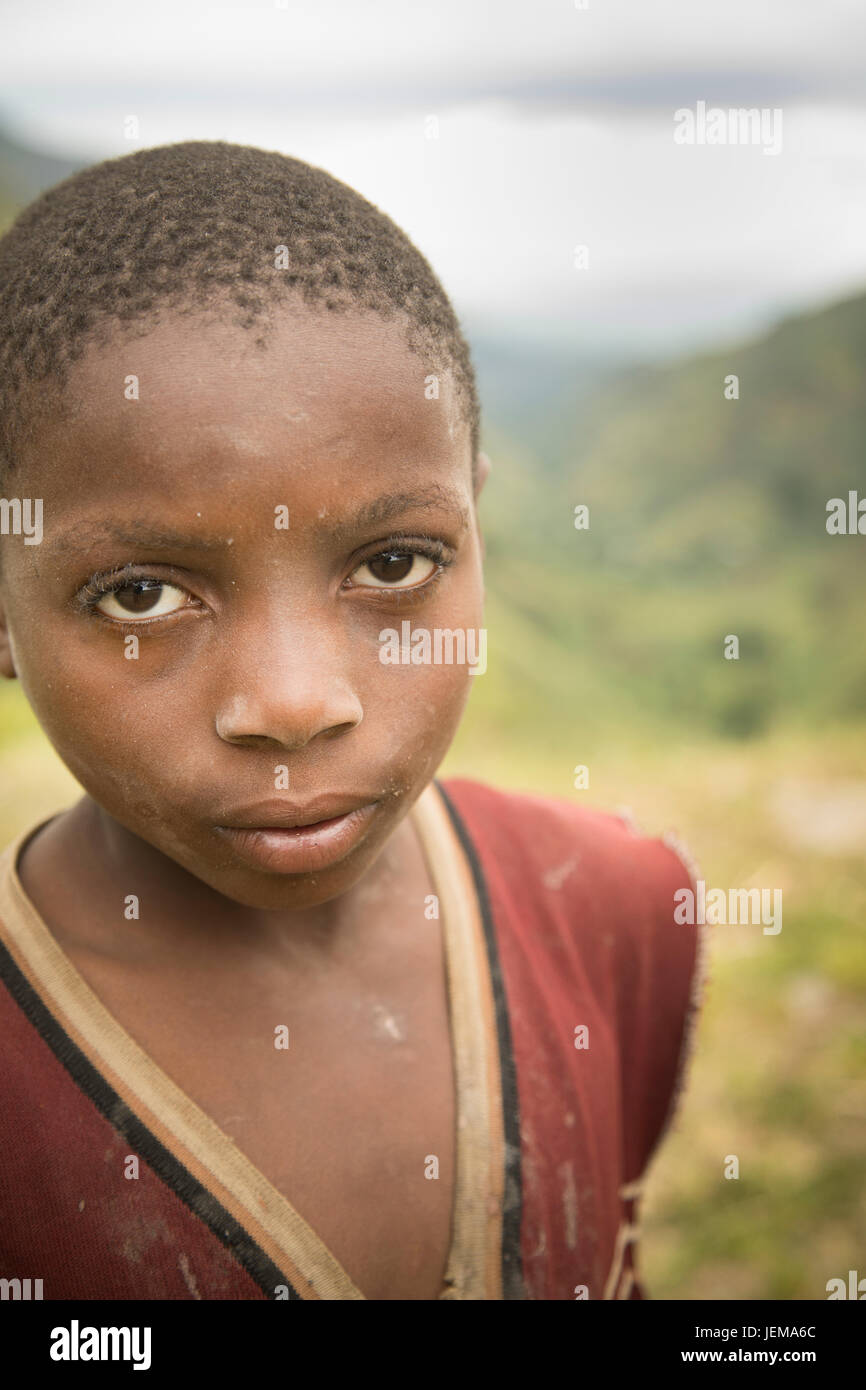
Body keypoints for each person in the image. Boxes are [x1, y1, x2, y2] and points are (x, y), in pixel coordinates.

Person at [0, 141, 707, 1301]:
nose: (293, 703)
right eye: (140, 594)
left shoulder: (616, 906)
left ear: (474, 526)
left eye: (392, 561)